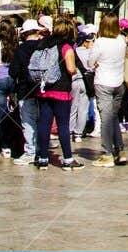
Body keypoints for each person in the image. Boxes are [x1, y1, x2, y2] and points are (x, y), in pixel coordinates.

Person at [33, 17, 85, 169]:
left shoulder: (44, 44)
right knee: (63, 125)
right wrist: (75, 70)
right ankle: (68, 159)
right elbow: (70, 68)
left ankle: (43, 158)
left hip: (44, 88)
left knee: (44, 123)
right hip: (61, 89)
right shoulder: (66, 47)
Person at [85, 12, 128, 166]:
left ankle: (107, 154)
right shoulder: (121, 40)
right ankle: (120, 150)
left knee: (105, 120)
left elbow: (90, 62)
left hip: (103, 82)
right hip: (118, 83)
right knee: (113, 118)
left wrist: (96, 63)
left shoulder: (100, 42)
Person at [11, 18, 46, 165]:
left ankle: (30, 151)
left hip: (25, 91)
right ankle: (41, 150)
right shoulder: (44, 47)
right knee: (42, 121)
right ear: (37, 31)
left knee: (28, 122)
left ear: (24, 34)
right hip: (44, 90)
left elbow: (13, 72)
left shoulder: (20, 49)